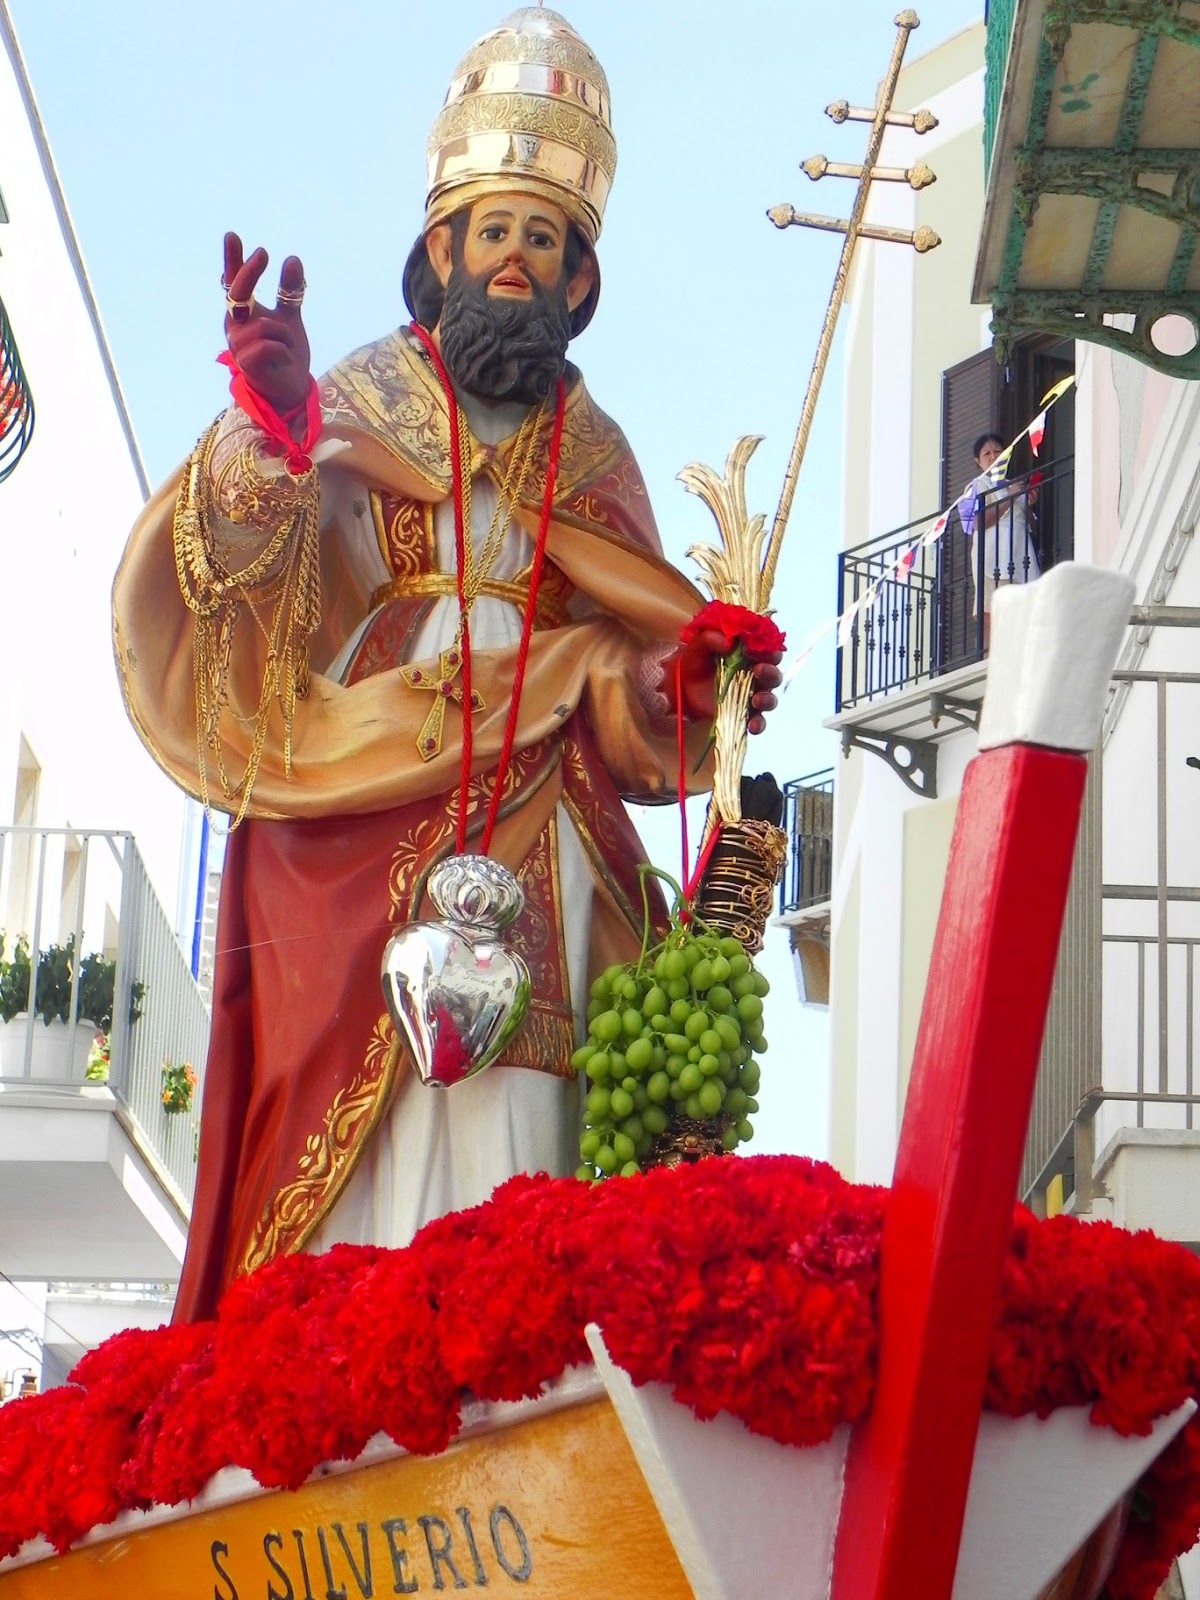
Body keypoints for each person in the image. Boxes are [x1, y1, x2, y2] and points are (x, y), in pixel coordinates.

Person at [112, 7, 780, 1322]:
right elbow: (258, 557)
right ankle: (335, 1363)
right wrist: (268, 445)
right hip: (365, 767)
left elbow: (644, 696)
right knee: (346, 1066)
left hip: (549, 789)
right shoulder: (359, 390)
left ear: (578, 279)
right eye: (496, 234)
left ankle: (508, 1348)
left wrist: (685, 681)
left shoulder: (597, 451)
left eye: (545, 239)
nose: (518, 262)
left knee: (531, 1072)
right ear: (443, 253)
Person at [959, 431, 1041, 643]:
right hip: (992, 554)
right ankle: (991, 663)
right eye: (987, 453)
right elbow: (978, 523)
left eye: (997, 451)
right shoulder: (977, 486)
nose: (993, 456)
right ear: (978, 461)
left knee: (1023, 609)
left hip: (1020, 552)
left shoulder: (1015, 484)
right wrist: (1011, 497)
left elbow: (1030, 525)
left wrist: (1030, 504)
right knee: (992, 612)